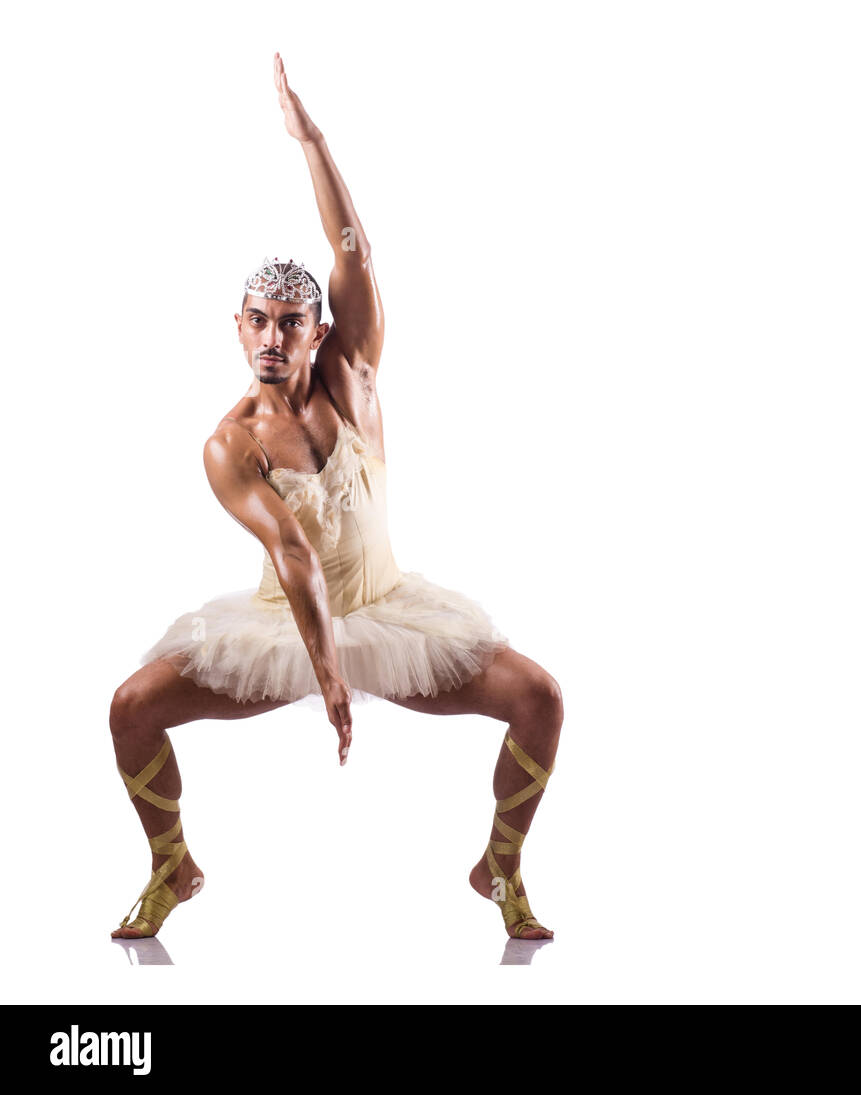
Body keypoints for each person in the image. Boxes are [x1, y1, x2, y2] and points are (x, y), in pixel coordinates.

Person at [108, 54, 561, 942]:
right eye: (257, 319)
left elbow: (354, 246)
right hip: (286, 629)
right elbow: (293, 553)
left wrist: (310, 139)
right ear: (236, 325)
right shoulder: (230, 442)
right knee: (130, 708)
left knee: (540, 698)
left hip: (391, 613)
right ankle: (172, 862)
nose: (271, 337)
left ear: (319, 331)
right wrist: (324, 674)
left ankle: (499, 863)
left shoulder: (353, 377)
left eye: (289, 321)